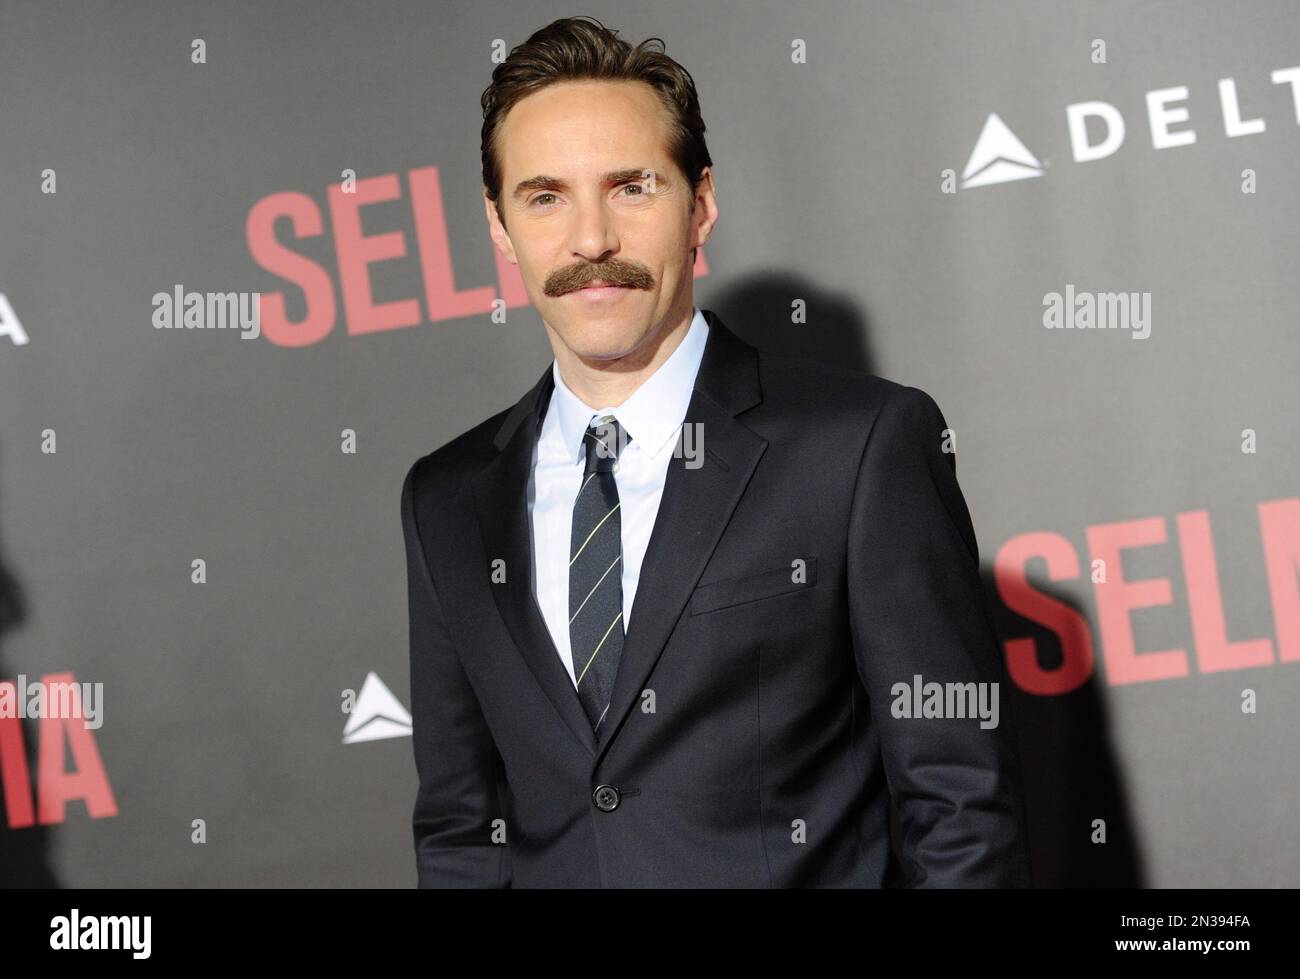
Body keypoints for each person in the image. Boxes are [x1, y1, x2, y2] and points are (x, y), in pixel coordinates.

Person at [401, 15, 1032, 887]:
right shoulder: (448, 498)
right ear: (500, 227)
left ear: (700, 203)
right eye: (545, 196)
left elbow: (959, 803)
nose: (591, 241)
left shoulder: (858, 448)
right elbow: (462, 835)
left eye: (631, 187)